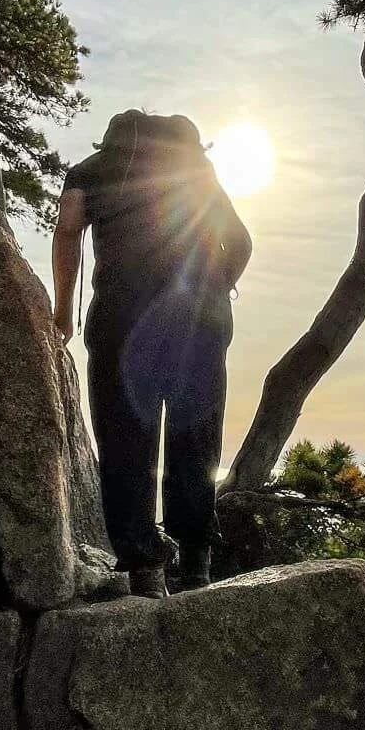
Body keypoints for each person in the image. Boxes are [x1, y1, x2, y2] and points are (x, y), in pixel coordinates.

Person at [52, 111, 252, 598]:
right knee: (196, 438)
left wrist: (63, 312)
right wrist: (216, 287)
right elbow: (241, 242)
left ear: (113, 139)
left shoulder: (91, 170)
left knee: (125, 442)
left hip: (123, 323)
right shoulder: (196, 175)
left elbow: (66, 231)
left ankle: (144, 569)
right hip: (199, 326)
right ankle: (197, 565)